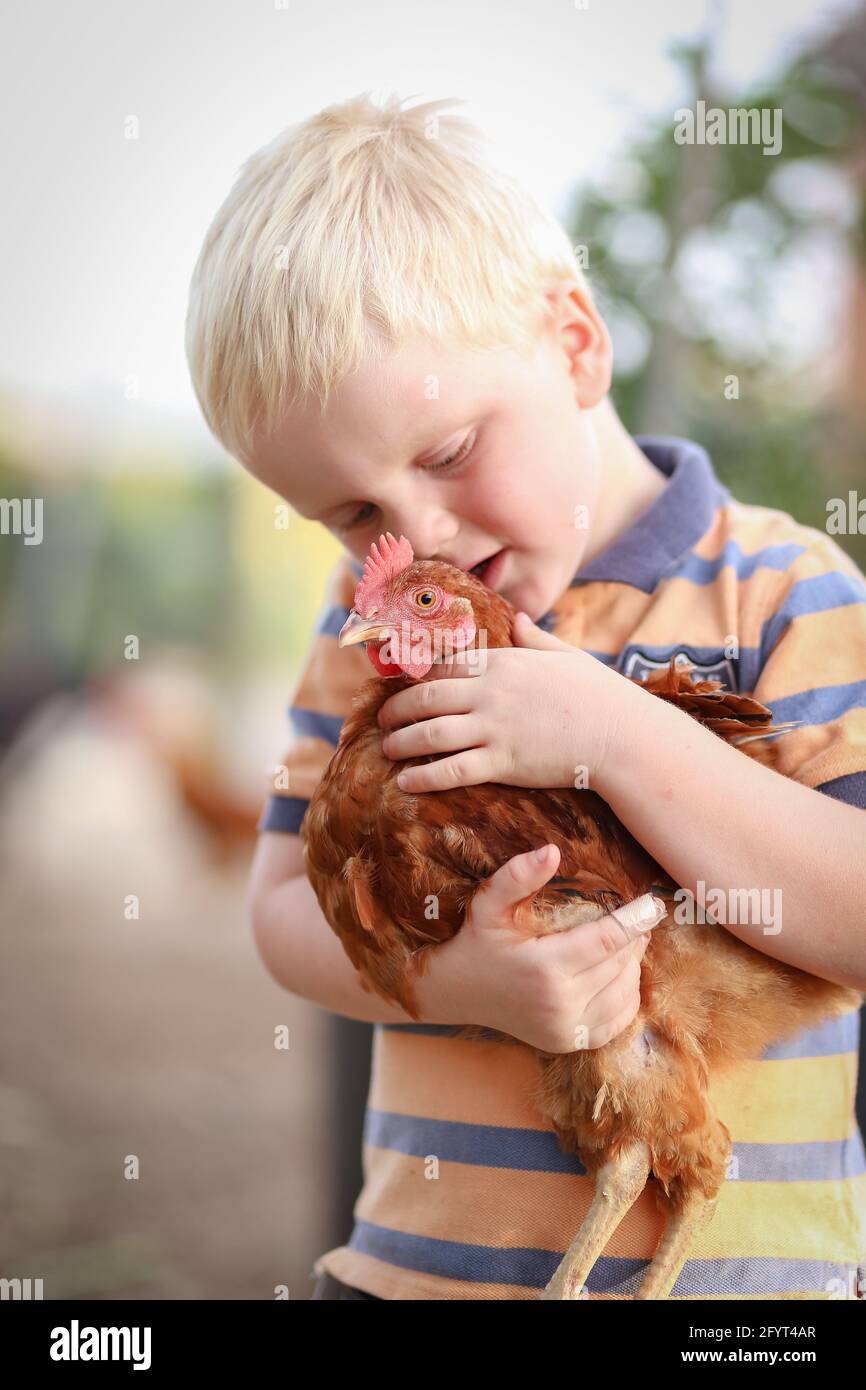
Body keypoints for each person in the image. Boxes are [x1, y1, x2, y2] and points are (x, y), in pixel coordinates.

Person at [185, 92, 866, 1301]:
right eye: (352, 515)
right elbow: (284, 900)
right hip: (411, 1276)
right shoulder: (372, 640)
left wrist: (614, 735)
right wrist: (454, 984)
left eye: (446, 454)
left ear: (574, 344)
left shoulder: (782, 592)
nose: (415, 532)